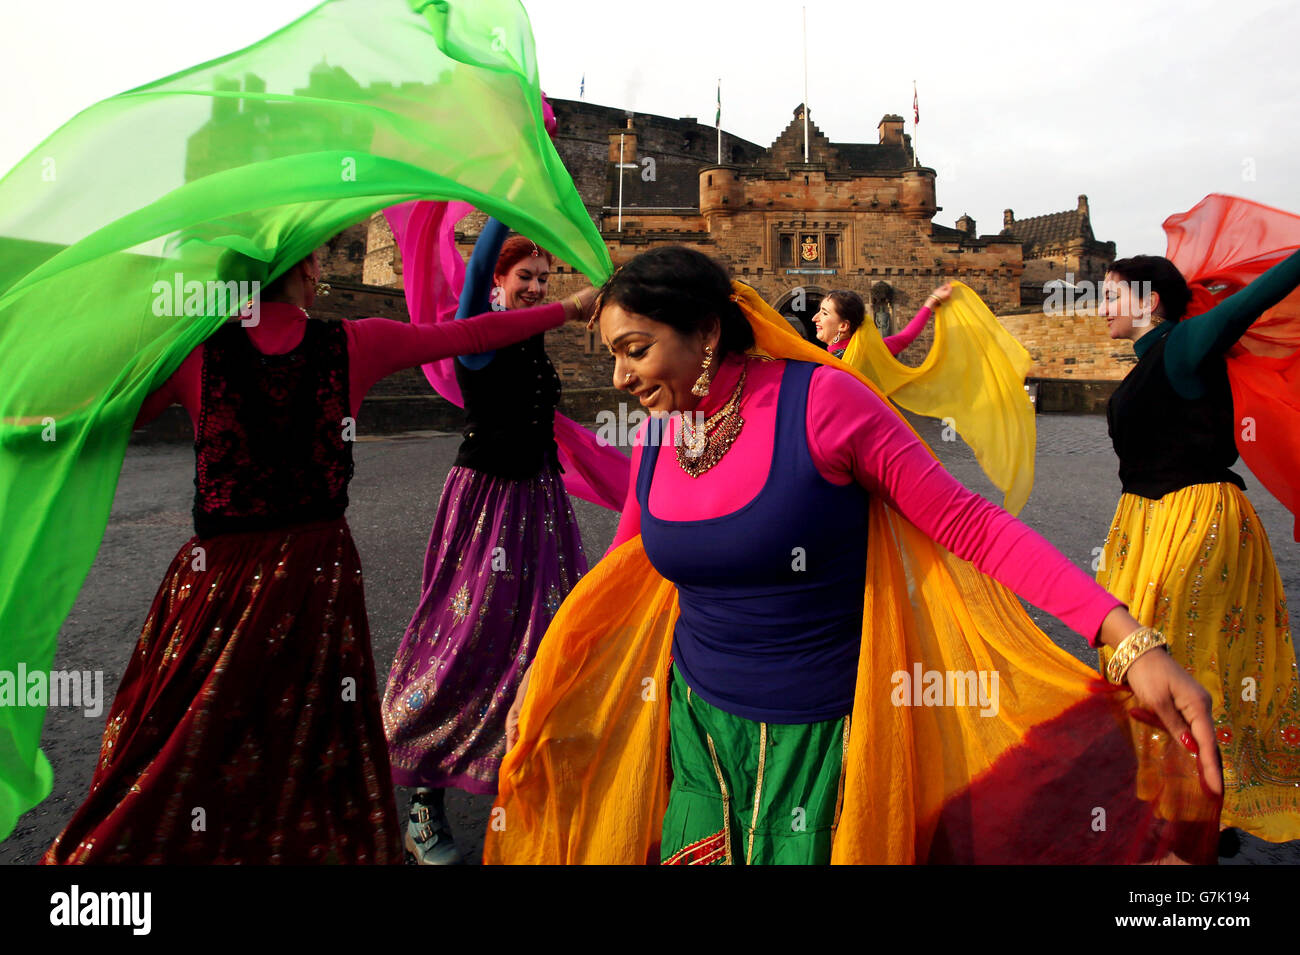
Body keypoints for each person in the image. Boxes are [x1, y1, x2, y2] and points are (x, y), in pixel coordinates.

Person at [490, 246, 1222, 865]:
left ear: (706, 332)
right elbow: (622, 570)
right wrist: (550, 669)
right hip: (695, 730)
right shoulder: (660, 429)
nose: (619, 378)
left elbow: (971, 523)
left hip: (822, 744)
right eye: (613, 355)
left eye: (635, 349)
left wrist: (1129, 639)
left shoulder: (825, 404)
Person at [42, 249, 596, 864]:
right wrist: (569, 308)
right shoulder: (354, 343)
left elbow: (101, 419)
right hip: (315, 570)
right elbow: (471, 330)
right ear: (309, 270)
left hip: (219, 577)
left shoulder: (195, 352)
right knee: (311, 734)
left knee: (189, 728)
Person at [381, 222, 590, 864]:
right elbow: (470, 276)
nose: (535, 287)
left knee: (550, 640)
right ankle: (423, 790)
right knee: (466, 639)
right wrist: (504, 194)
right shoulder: (476, 337)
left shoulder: (532, 347)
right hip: (488, 505)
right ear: (497, 283)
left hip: (540, 506)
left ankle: (526, 782)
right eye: (523, 277)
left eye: (544, 279)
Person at [1097, 248, 1300, 849]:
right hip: (1144, 520)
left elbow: (1253, 300)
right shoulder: (1145, 363)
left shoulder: (1184, 344)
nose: (1101, 307)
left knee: (1180, 651)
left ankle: (1199, 808)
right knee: (1135, 657)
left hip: (1195, 519)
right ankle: (1171, 796)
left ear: (1149, 301)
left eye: (1112, 294)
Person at [813, 285, 950, 359]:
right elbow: (905, 338)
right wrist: (931, 301)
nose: (814, 318)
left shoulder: (831, 365)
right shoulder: (873, 350)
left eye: (824, 313)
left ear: (843, 326)